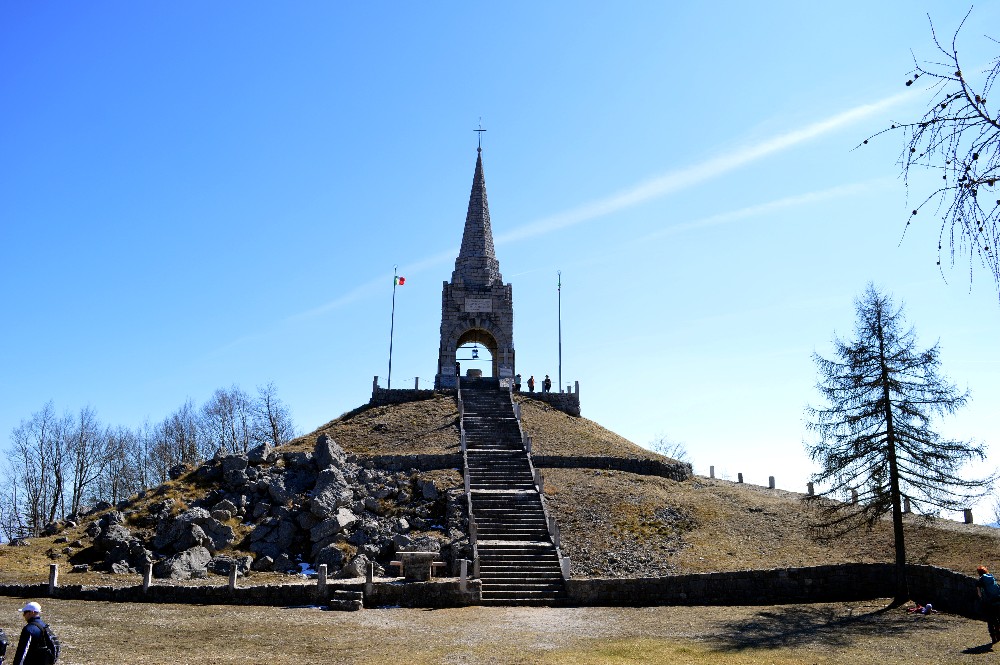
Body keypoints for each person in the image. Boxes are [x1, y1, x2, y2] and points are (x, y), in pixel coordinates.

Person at [977, 566, 1000, 644]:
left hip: (988, 603)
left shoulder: (980, 581)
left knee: (990, 621)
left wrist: (981, 599)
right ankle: (998, 634)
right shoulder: (991, 578)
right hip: (997, 601)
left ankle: (993, 637)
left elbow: (979, 594)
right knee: (998, 618)